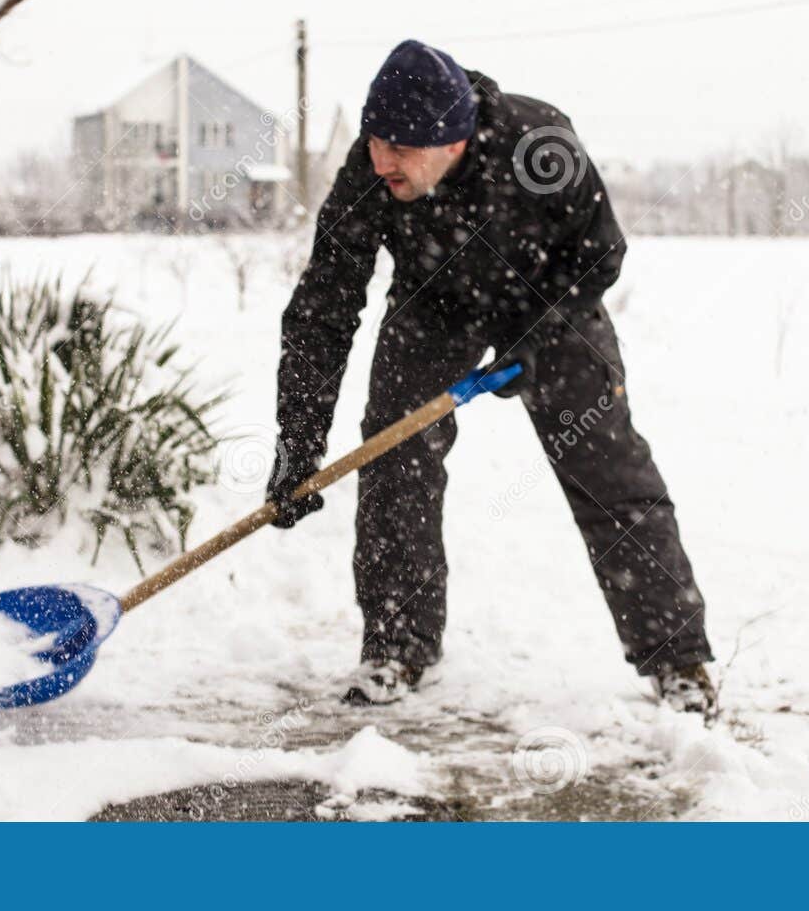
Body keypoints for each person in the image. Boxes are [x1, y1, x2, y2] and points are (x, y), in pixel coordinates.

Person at [268, 40, 716, 713]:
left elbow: (601, 253)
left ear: (450, 139)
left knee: (608, 469)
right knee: (394, 450)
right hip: (434, 303)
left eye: (398, 145)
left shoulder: (539, 145)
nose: (380, 158)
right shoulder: (369, 174)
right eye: (374, 139)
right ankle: (397, 642)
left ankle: (679, 660)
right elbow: (322, 308)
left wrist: (534, 338)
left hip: (551, 298)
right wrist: (297, 443)